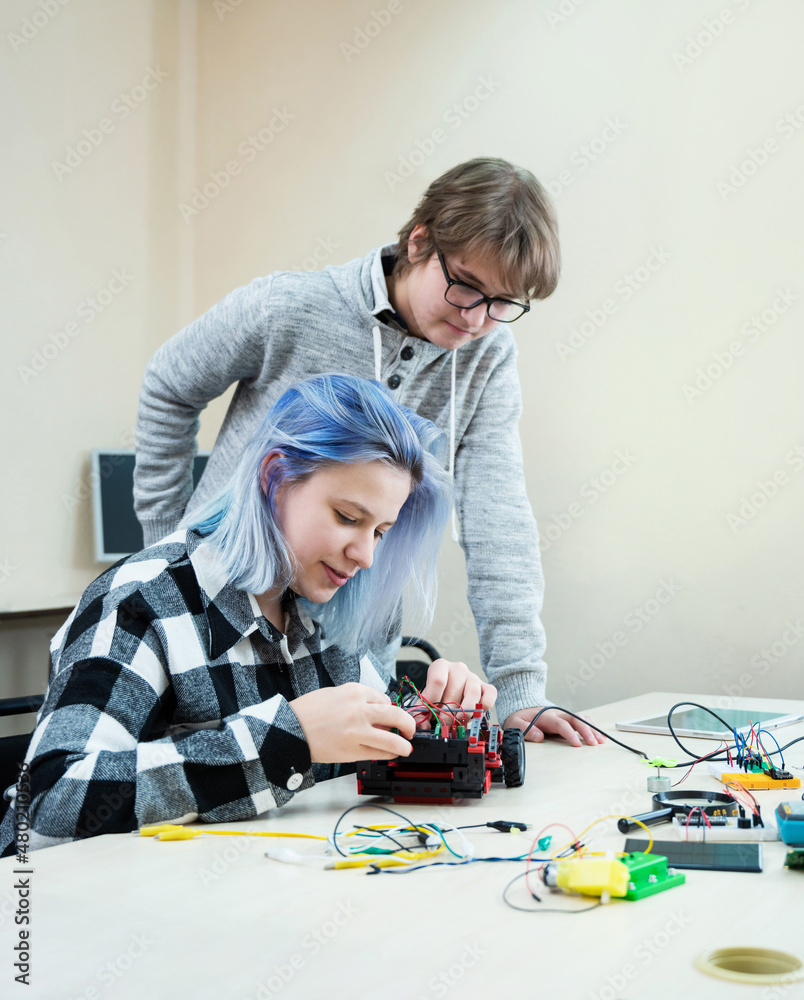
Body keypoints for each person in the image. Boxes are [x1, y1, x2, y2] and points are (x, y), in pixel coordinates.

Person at [134, 157, 603, 748]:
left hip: (348, 640)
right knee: (217, 772)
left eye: (503, 303)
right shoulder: (290, 305)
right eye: (465, 285)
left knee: (341, 794)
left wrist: (519, 688)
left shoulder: (488, 355)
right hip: (219, 610)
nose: (477, 318)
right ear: (419, 241)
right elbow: (169, 386)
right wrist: (165, 547)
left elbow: (498, 517)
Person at [1, 375, 494, 856]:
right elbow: (44, 807)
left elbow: (368, 756)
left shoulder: (328, 601)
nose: (365, 556)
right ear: (274, 477)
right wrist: (288, 740)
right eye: (348, 517)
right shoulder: (141, 601)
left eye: (380, 532)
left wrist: (431, 719)